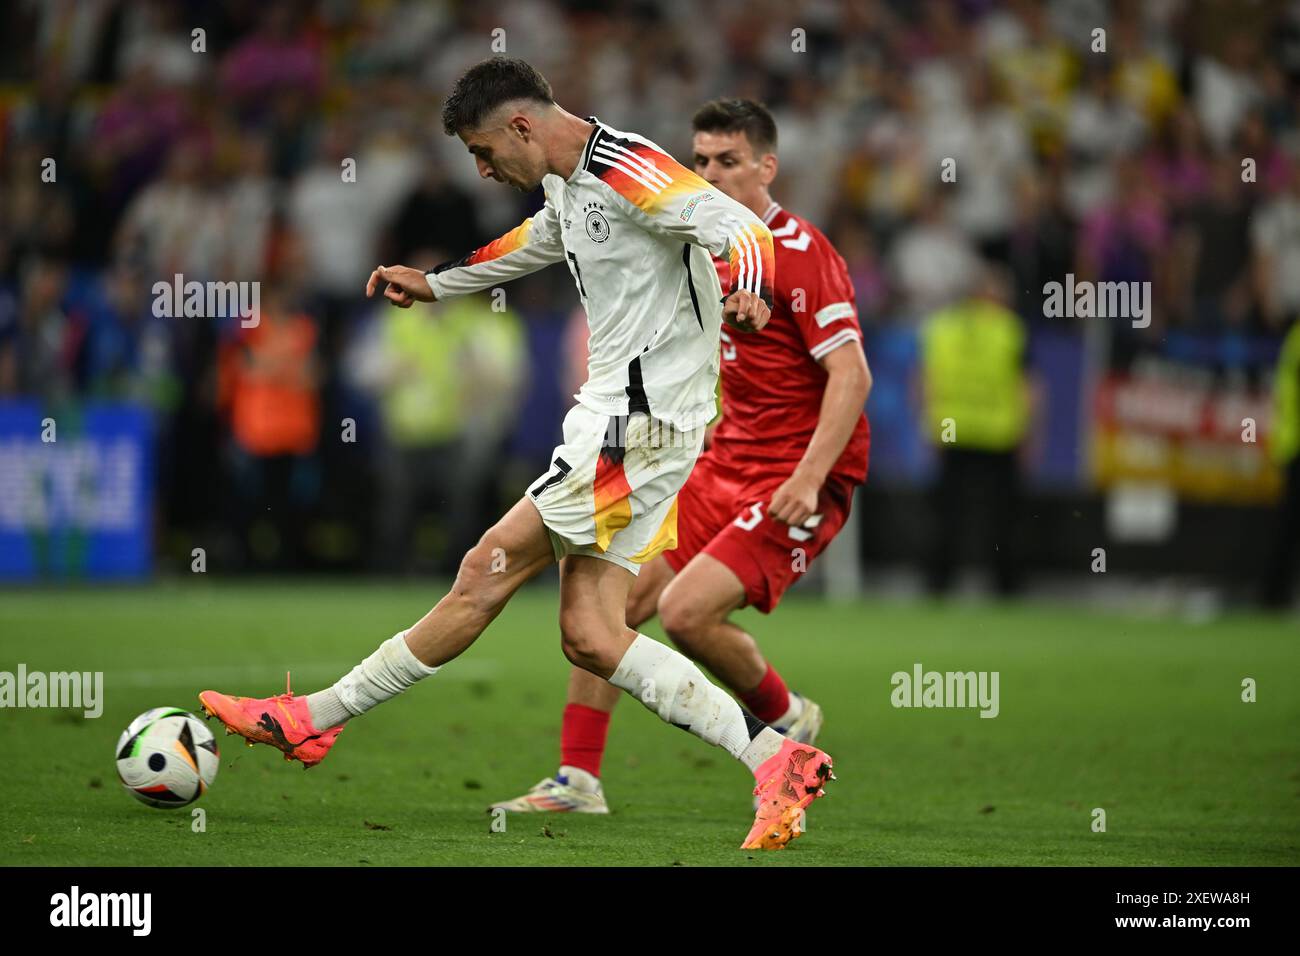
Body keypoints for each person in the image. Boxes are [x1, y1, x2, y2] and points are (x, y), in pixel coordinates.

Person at [198, 57, 832, 850]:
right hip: (635, 428)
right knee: (594, 637)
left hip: (631, 432)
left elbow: (739, 228)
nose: (482, 167)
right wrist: (438, 284)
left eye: (483, 149)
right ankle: (777, 757)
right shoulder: (569, 182)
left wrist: (750, 284)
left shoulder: (629, 165)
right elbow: (538, 240)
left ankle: (310, 719)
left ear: (522, 126)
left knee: (484, 570)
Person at [492, 98, 871, 815]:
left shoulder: (800, 252)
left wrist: (809, 477)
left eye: (728, 160)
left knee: (687, 612)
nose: (709, 172)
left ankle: (784, 722)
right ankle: (577, 781)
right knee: (616, 605)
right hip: (716, 460)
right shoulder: (700, 240)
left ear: (768, 166)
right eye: (699, 159)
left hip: (797, 473)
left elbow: (852, 375)